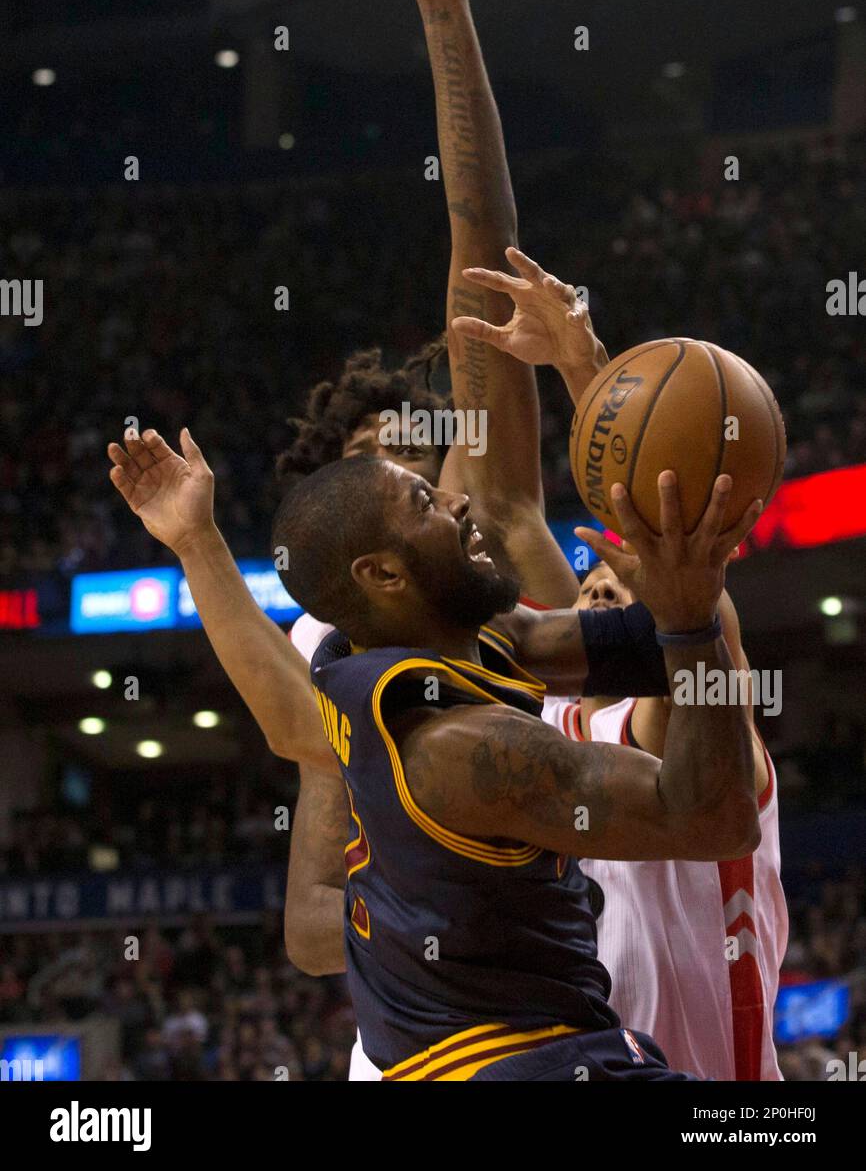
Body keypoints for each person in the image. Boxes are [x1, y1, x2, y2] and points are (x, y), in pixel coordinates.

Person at [272, 448, 760, 1080]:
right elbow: (714, 822)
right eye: (426, 504)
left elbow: (625, 646)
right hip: (522, 1062)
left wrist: (684, 579)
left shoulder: (352, 650)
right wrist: (692, 622)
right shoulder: (458, 748)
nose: (456, 500)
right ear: (384, 574)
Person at [543, 560, 788, 1081]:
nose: (601, 587)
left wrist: (677, 566)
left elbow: (711, 662)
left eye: (624, 583)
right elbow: (510, 521)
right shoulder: (539, 727)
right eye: (585, 589)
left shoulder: (702, 725)